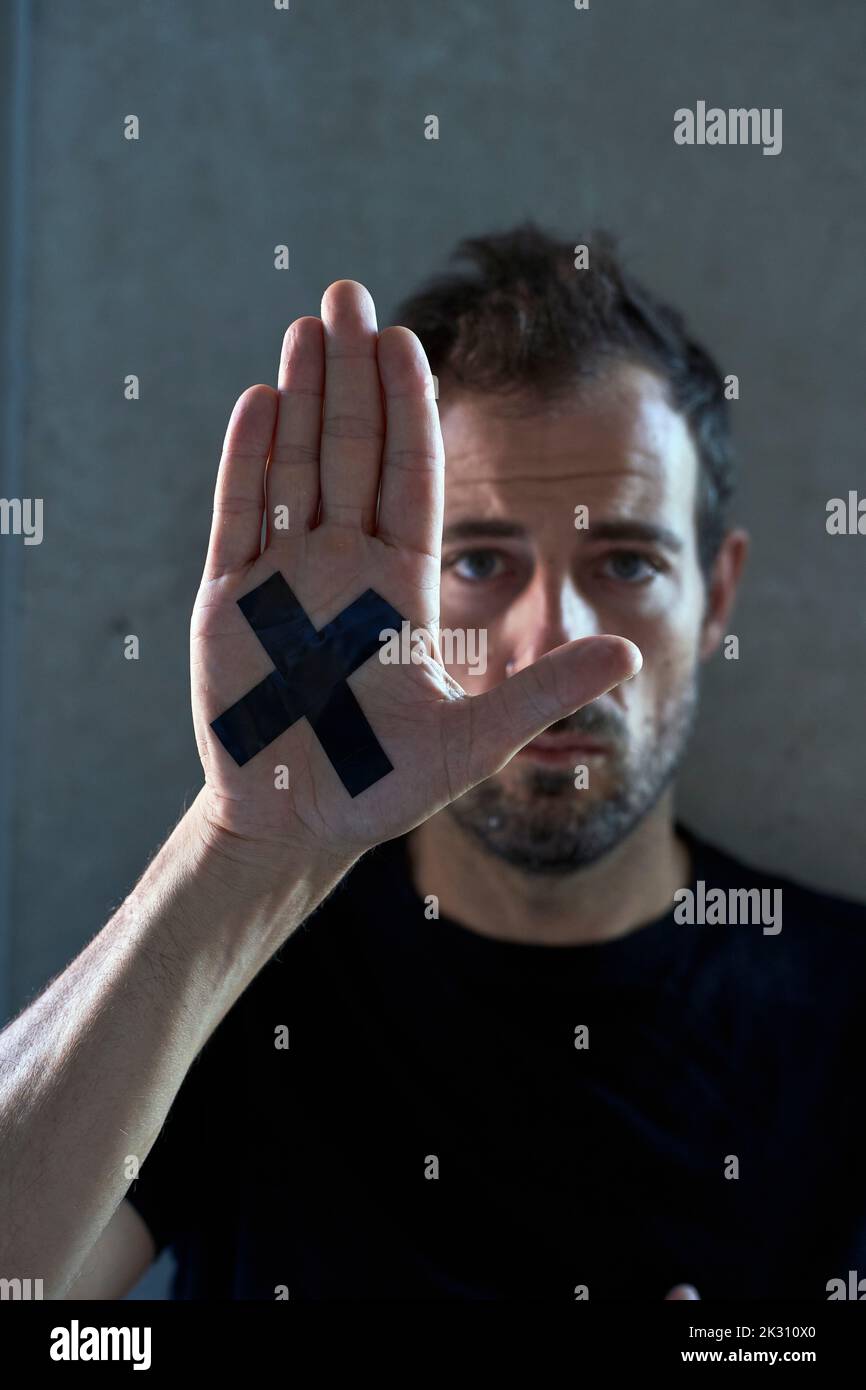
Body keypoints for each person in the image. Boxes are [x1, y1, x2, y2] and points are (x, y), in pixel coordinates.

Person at [2, 225, 864, 1302]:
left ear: (717, 596)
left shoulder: (843, 1014)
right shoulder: (238, 984)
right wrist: (237, 852)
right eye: (476, 560)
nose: (550, 634)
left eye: (627, 560)